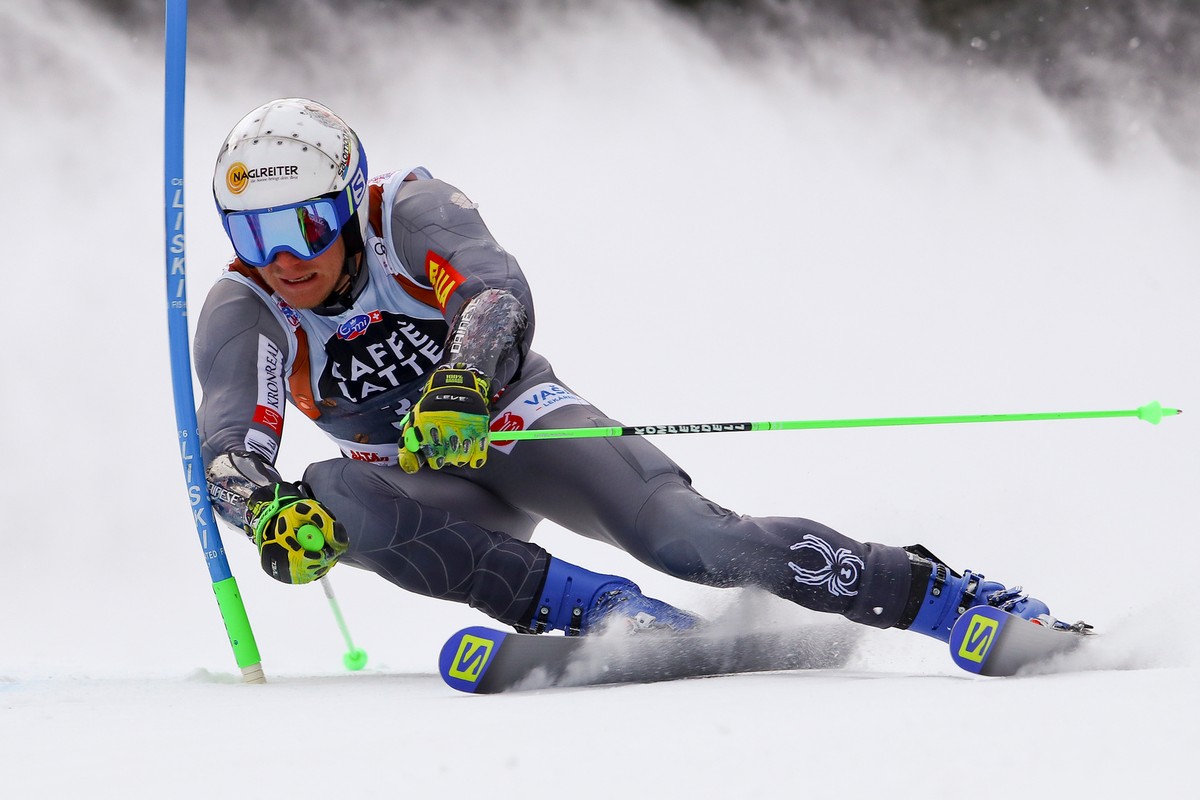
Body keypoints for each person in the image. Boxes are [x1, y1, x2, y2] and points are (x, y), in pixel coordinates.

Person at [198, 97, 1064, 646]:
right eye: (253, 234)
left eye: (305, 225)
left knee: (690, 541)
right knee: (329, 495)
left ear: (349, 203)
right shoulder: (247, 308)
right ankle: (598, 613)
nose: (284, 258)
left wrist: (463, 379)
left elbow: (495, 294)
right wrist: (269, 514)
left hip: (516, 426)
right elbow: (230, 451)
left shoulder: (409, 215)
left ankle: (939, 597)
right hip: (420, 487)